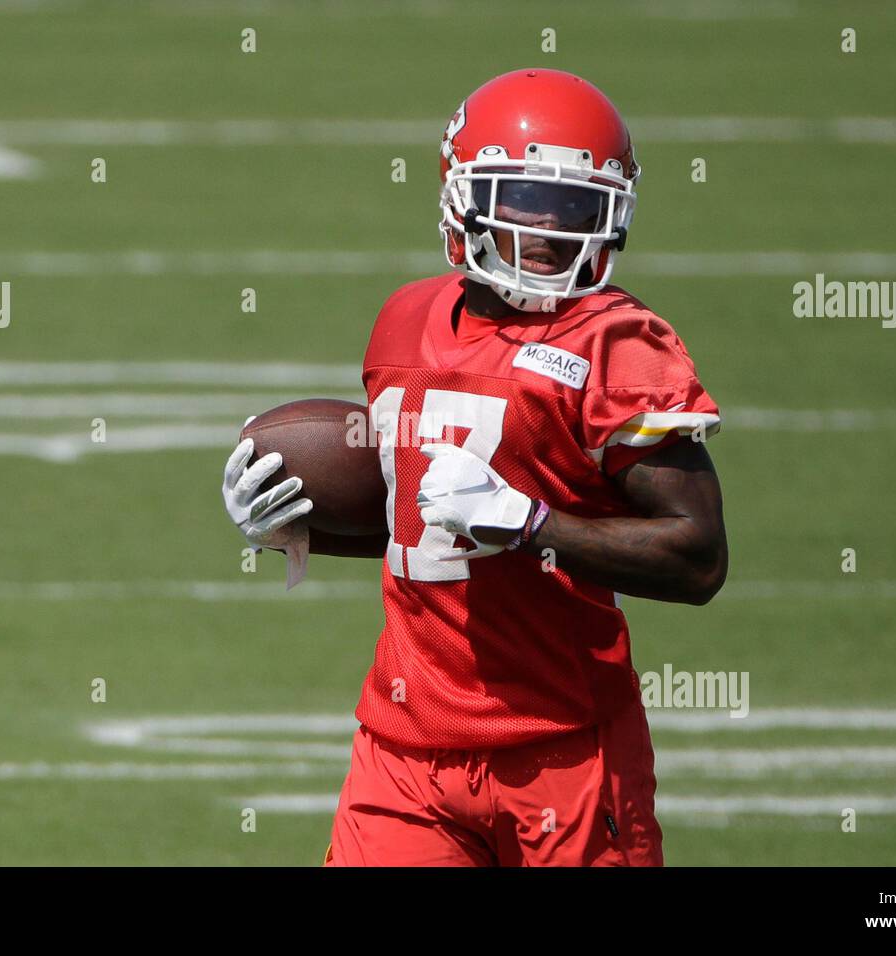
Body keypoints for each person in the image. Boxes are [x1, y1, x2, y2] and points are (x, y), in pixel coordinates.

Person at [222, 68, 727, 866]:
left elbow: (697, 558)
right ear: (463, 198)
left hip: (562, 747)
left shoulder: (618, 345)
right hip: (405, 746)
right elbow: (426, 530)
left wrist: (533, 525)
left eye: (577, 207)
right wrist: (294, 526)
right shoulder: (404, 322)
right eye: (529, 201)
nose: (554, 230)